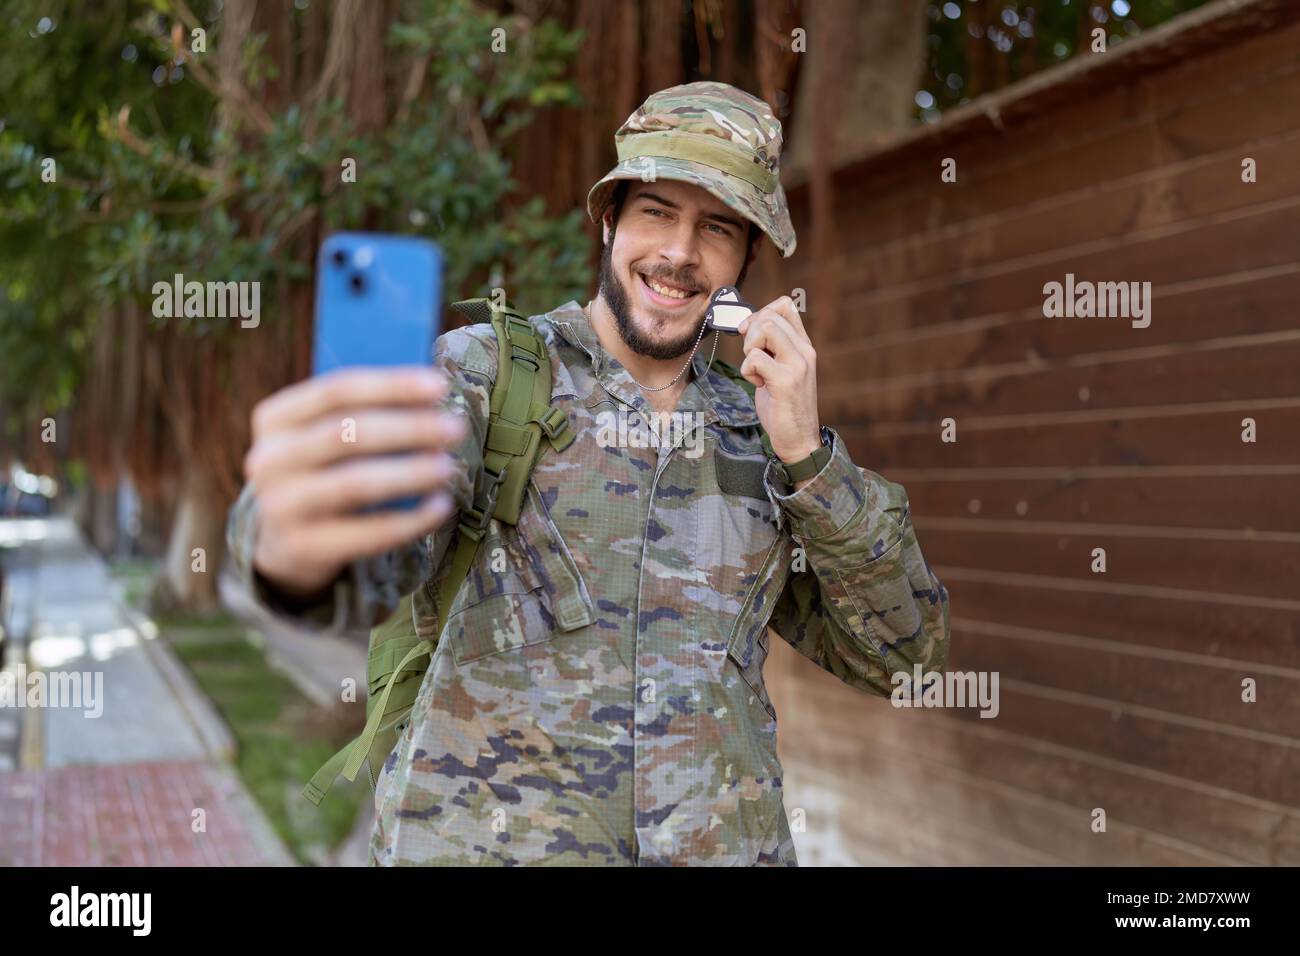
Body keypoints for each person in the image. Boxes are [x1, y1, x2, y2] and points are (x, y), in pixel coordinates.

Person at [226, 81, 951, 866]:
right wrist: (292, 545)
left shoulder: (762, 435)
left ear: (745, 258)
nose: (679, 253)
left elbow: (903, 659)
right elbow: (375, 563)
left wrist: (811, 460)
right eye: (656, 212)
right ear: (609, 220)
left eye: (716, 227)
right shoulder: (489, 376)